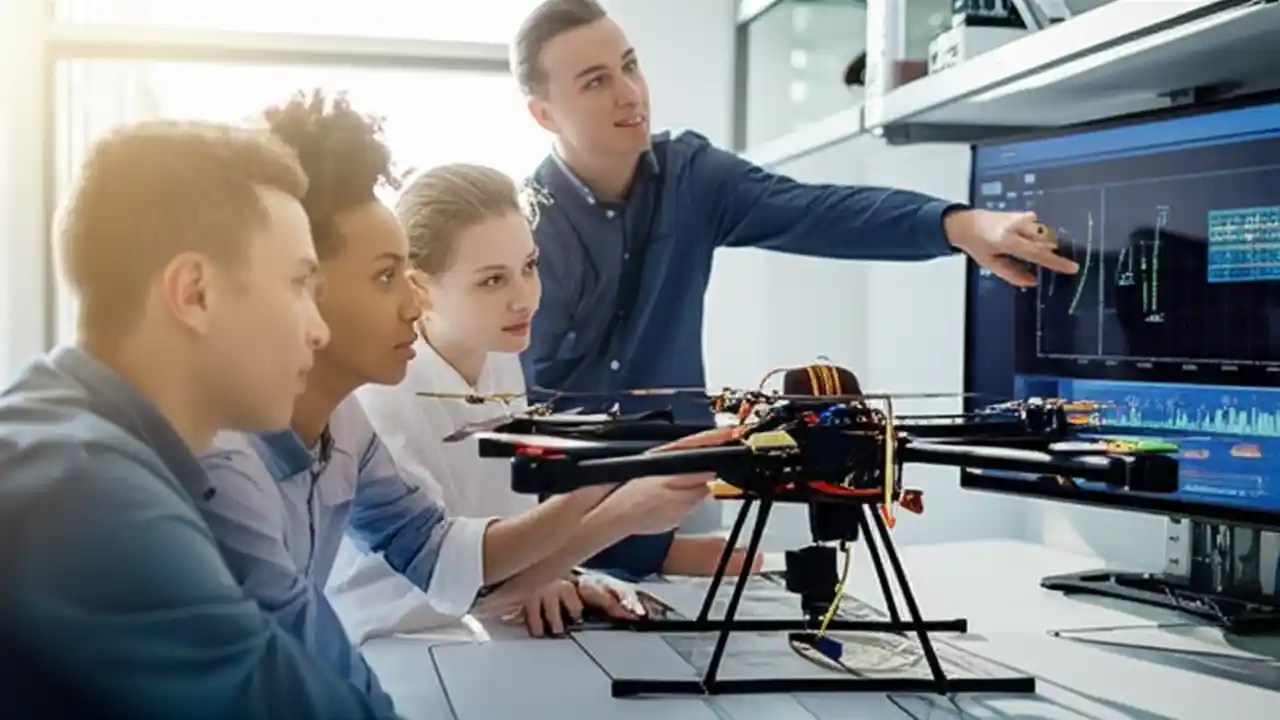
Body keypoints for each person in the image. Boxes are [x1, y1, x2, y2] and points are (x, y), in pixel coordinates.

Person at [507, 0, 1078, 577]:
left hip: (680, 498)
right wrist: (580, 562)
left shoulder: (693, 178)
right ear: (545, 114)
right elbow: (505, 423)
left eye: (630, 66)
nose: (629, 93)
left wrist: (960, 225)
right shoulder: (519, 232)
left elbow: (816, 210)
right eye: (596, 82)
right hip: (554, 528)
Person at [196, 90, 725, 710]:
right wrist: (613, 503)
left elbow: (445, 556)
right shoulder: (233, 461)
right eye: (386, 278)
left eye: (528, 267)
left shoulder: (351, 430)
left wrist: (587, 521)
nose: (413, 306)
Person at [0, 120, 390, 719]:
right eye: (296, 284)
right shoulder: (85, 493)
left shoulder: (75, 442)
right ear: (195, 292)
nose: (319, 330)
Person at [344, 162, 762, 639]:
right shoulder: (380, 396)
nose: (526, 298)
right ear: (419, 288)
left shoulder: (497, 354)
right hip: (391, 651)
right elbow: (473, 583)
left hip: (472, 633)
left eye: (529, 266)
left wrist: (557, 575)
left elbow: (511, 548)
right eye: (492, 281)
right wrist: (621, 508)